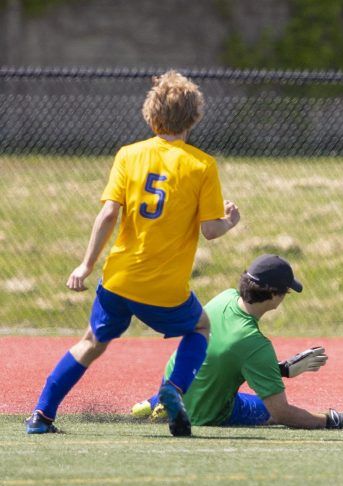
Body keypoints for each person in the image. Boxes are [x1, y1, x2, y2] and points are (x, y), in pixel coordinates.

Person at [26, 71, 241, 436]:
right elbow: (210, 231)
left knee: (92, 342)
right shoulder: (202, 165)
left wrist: (85, 264)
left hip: (119, 279)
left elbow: (109, 213)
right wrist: (230, 221)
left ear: (150, 114)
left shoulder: (129, 155)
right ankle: (172, 389)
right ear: (194, 118)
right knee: (201, 327)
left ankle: (41, 416)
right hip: (165, 288)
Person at [131, 255, 343, 430]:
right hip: (204, 414)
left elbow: (222, 357)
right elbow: (281, 413)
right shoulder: (254, 343)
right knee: (266, 410)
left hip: (176, 384)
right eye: (285, 292)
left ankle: (156, 402)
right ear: (273, 294)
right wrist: (336, 420)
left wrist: (280, 370)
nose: (285, 296)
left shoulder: (224, 297)